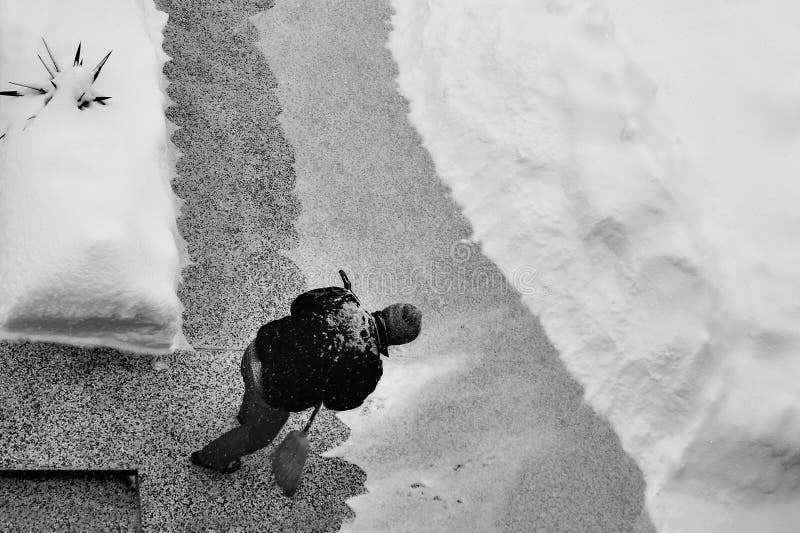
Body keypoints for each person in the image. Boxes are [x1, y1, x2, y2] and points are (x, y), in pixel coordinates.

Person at [190, 270, 422, 473]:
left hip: (254, 352)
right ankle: (210, 458)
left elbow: (299, 305)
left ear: (386, 311)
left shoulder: (342, 299)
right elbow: (338, 402)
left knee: (256, 392)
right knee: (257, 436)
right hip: (269, 392)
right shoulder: (368, 367)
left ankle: (246, 415)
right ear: (399, 341)